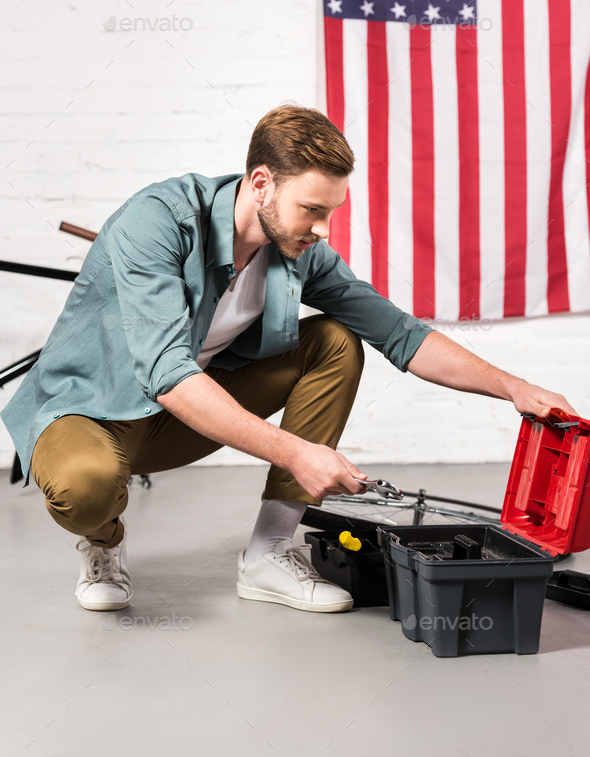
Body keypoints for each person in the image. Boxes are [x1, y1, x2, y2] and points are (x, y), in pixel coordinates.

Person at [1, 105, 576, 614]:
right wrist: (298, 452)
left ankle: (268, 555)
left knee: (334, 340)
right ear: (260, 183)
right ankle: (103, 543)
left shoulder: (299, 250)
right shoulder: (157, 221)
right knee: (86, 486)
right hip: (90, 412)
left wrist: (514, 387)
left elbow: (400, 334)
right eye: (311, 209)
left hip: (186, 414)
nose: (323, 229)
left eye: (332, 211)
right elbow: (167, 371)